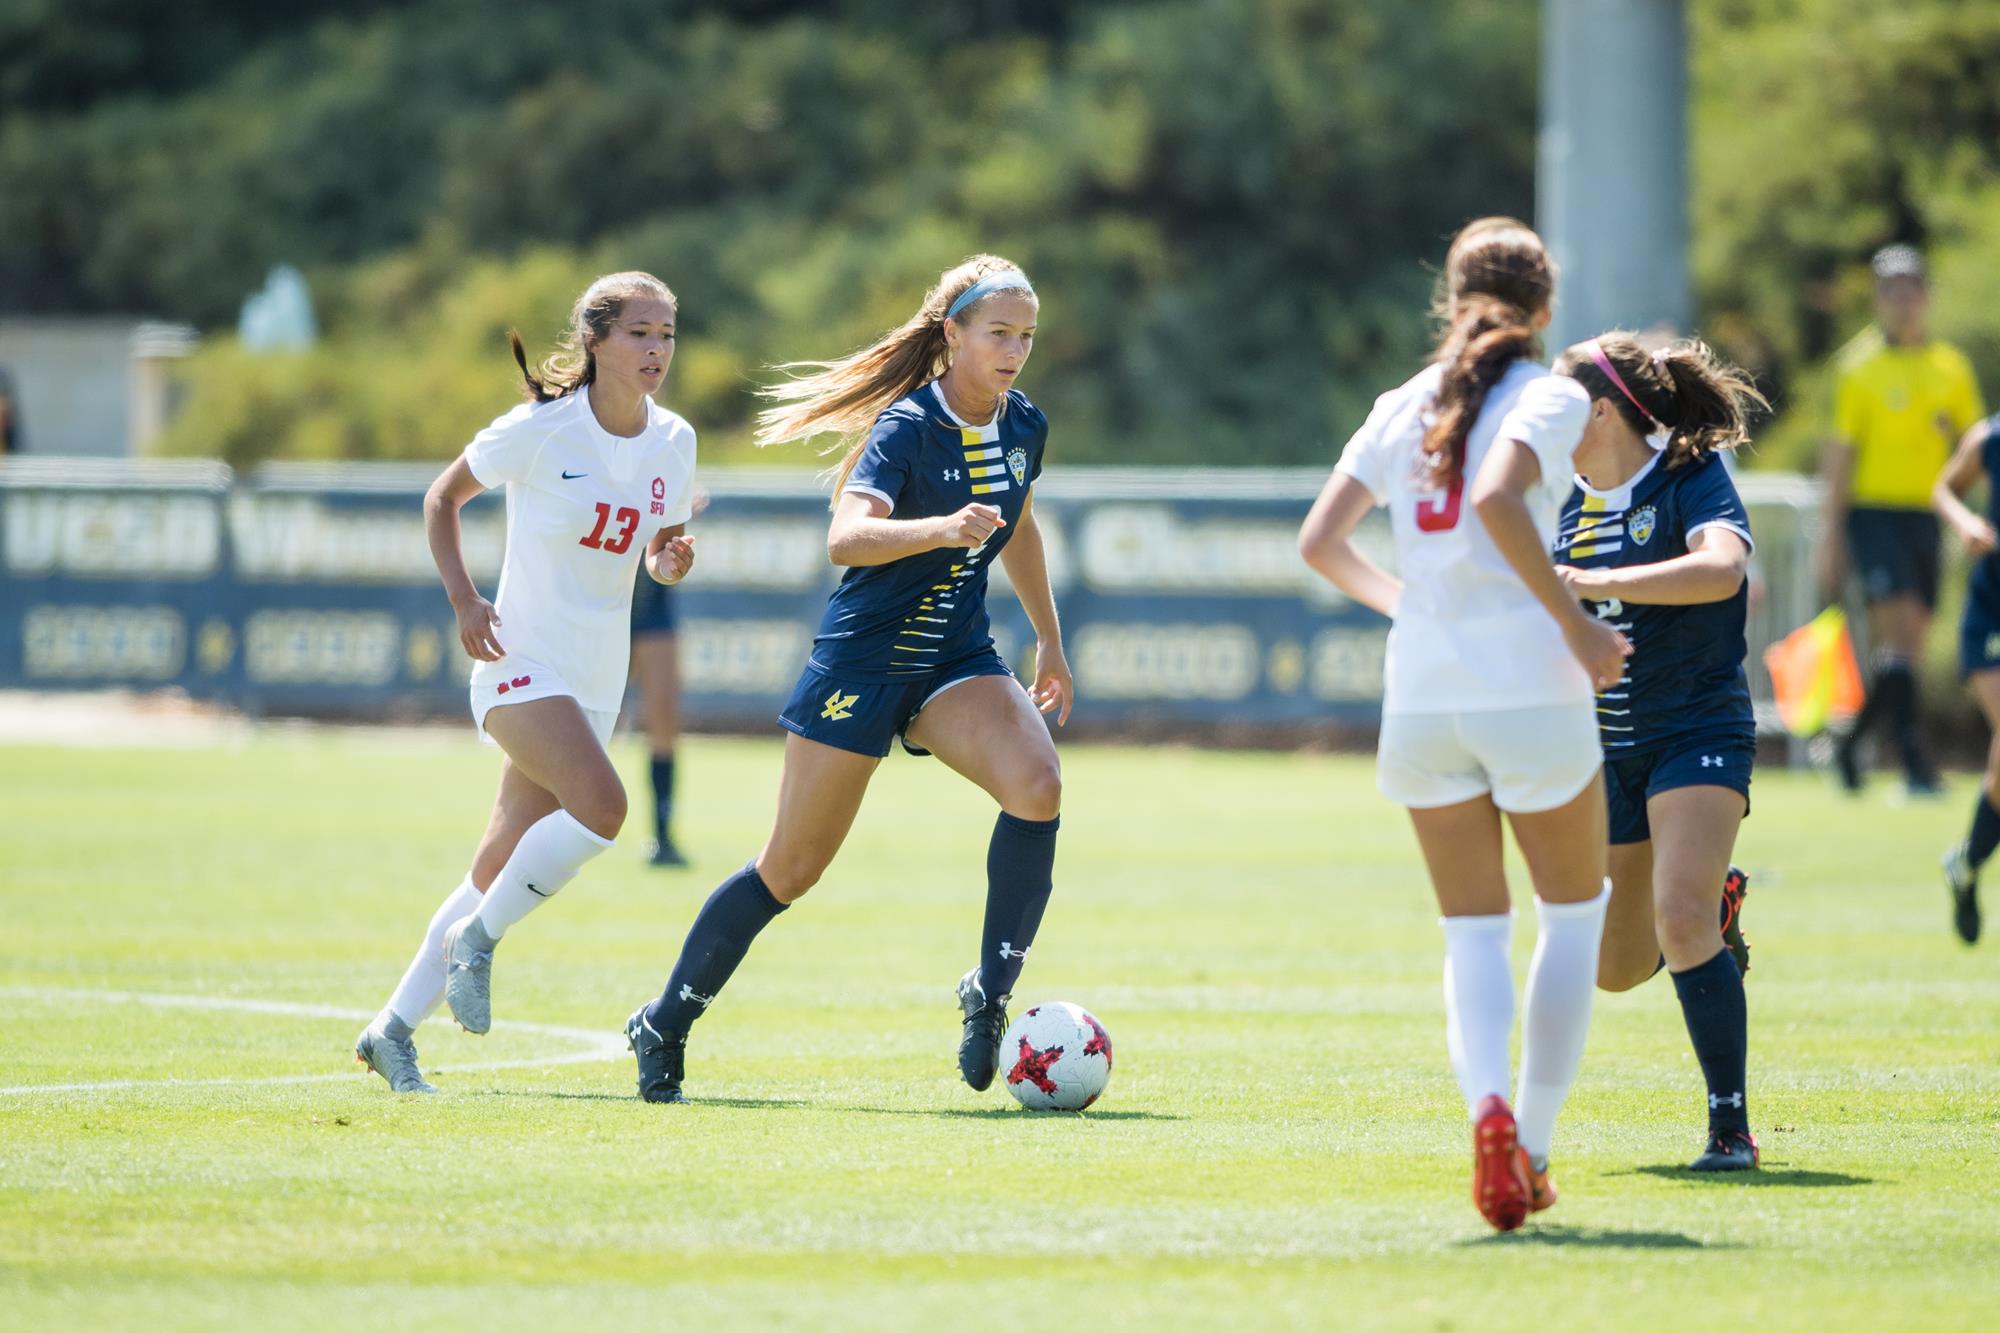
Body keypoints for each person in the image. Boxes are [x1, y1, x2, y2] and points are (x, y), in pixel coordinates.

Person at [622, 254, 1071, 1106]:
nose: (1014, 351)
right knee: (790, 869)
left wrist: (1049, 639)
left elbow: (1020, 527)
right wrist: (940, 528)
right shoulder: (906, 428)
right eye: (998, 333)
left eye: (1026, 336)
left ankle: (989, 994)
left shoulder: (1023, 426)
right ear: (954, 334)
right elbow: (846, 538)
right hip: (863, 662)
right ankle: (664, 1020)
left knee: (1038, 783)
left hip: (955, 659)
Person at [1298, 217, 1628, 1232]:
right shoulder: (1550, 391)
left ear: (1449, 298)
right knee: (1571, 914)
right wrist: (1573, 627)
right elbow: (1494, 497)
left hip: (1423, 696)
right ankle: (1525, 1145)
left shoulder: (1401, 404)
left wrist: (1416, 607)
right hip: (1527, 687)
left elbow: (1319, 543)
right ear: (1542, 308)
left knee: (1471, 932)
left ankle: (1483, 1107)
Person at [354, 272, 697, 1092]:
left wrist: (669, 560)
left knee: (493, 866)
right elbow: (444, 498)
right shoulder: (542, 429)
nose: (656, 350)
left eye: (667, 335)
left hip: (594, 676)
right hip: (517, 658)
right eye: (639, 333)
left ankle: (390, 1031)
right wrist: (466, 599)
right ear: (597, 342)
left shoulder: (674, 440)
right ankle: (477, 941)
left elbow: (659, 548)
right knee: (606, 809)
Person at [1549, 333, 1768, 1172]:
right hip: (1606, 752)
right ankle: (1717, 911)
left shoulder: (1689, 476)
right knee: (1613, 968)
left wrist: (1597, 584)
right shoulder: (1558, 501)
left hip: (1697, 728)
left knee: (1675, 917)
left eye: (1559, 403)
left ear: (1600, 409)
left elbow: (1720, 572)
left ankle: (1729, 1127)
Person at [1818, 245, 1987, 795]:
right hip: (1874, 516)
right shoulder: (1858, 366)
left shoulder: (1950, 367)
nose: (1903, 302)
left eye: (1912, 289)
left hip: (1926, 516)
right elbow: (1840, 458)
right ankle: (1915, 768)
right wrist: (1830, 538)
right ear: (1878, 298)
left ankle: (1847, 745)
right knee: (1898, 633)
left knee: (1907, 648)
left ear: (1926, 296)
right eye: (1891, 290)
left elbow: (1976, 446)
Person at [1934, 411, 2000, 945]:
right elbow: (1944, 489)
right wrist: (1965, 523)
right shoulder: (1990, 437)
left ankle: (1967, 861)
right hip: (1991, 616)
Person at [629, 568, 687, 867]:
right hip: (596, 595)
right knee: (572, 718)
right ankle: (549, 829)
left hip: (651, 595)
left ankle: (662, 837)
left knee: (664, 719)